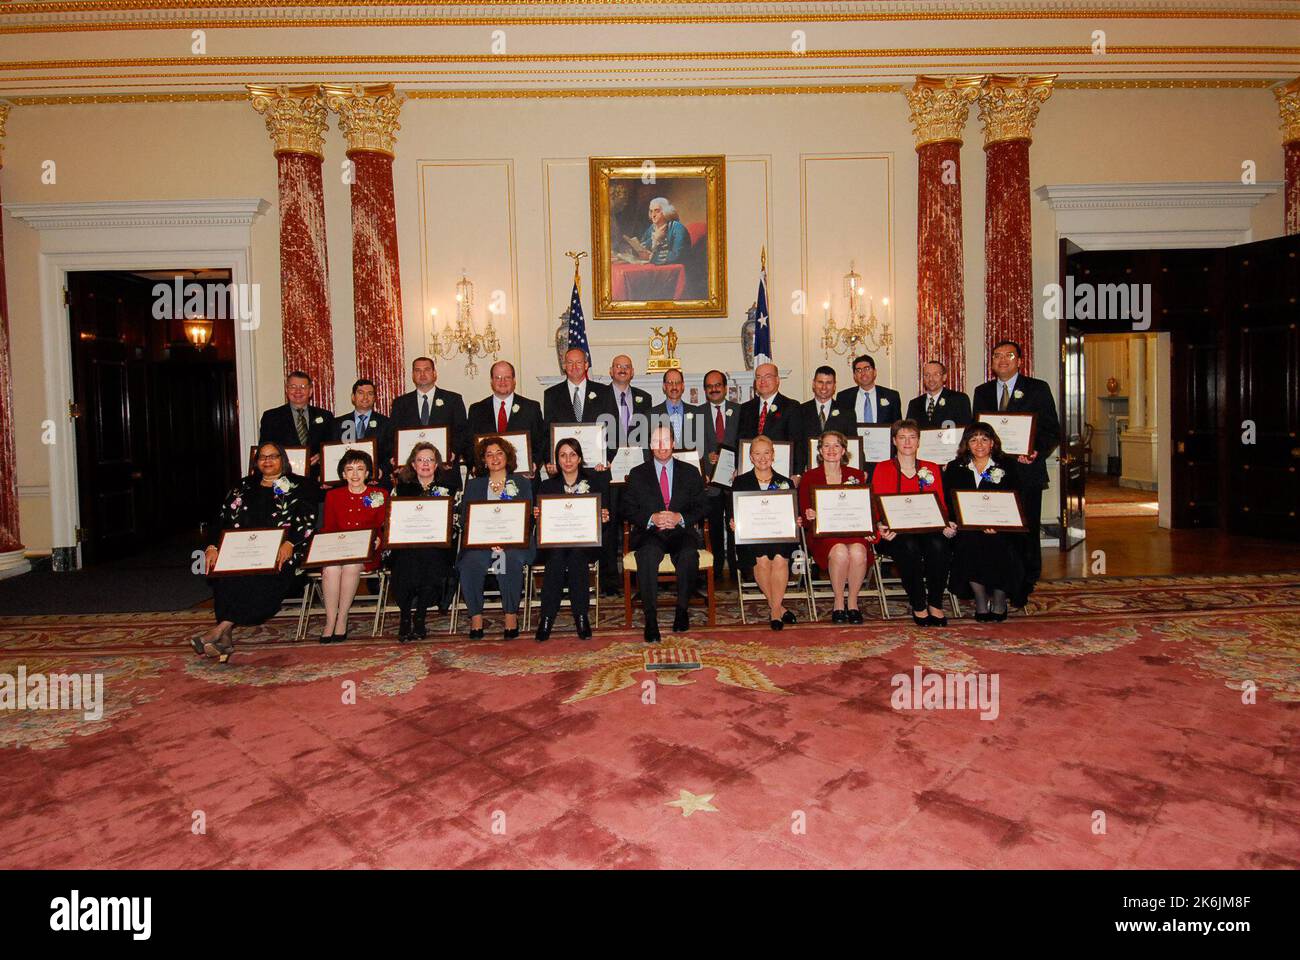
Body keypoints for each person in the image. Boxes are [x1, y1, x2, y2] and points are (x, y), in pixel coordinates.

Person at [194, 441, 316, 663]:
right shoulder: (243, 486)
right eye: (262, 457)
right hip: (241, 553)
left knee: (261, 577)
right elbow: (221, 520)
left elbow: (307, 520)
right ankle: (224, 639)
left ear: (283, 460)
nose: (267, 461)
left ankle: (220, 629)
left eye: (273, 456)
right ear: (256, 462)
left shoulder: (300, 485)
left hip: (281, 554)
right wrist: (212, 547)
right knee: (225, 575)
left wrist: (291, 544)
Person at [971, 339, 1060, 591]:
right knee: (994, 526)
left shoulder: (1037, 389)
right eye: (997, 355)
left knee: (1026, 527)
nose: (1002, 360)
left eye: (1008, 356)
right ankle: (996, 578)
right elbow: (977, 431)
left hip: (1026, 470)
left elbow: (1052, 430)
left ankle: (1026, 580)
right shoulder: (983, 391)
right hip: (991, 472)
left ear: (1019, 361)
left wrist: (1036, 451)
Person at [621, 425, 706, 643]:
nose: (662, 446)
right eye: (657, 442)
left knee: (688, 555)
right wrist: (651, 518)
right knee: (647, 556)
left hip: (681, 531)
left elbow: (702, 506)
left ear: (674, 443)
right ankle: (651, 619)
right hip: (651, 533)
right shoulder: (638, 474)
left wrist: (680, 517)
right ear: (650, 445)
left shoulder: (690, 472)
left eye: (666, 441)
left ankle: (682, 611)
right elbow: (628, 509)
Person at [871, 419, 958, 626]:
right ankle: (918, 604)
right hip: (895, 533)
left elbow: (941, 505)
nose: (907, 442)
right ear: (894, 441)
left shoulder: (931, 468)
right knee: (908, 546)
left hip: (928, 529)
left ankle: (935, 602)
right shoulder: (882, 468)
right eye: (902, 437)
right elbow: (875, 505)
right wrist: (880, 526)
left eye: (912, 437)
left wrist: (947, 524)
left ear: (918, 441)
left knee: (939, 545)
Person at [943, 422, 1026, 621]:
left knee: (1000, 543)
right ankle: (980, 600)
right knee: (969, 542)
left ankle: (999, 598)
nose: (979, 444)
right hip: (968, 527)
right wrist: (953, 522)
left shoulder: (1008, 466)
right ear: (966, 444)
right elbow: (949, 501)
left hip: (1002, 527)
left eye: (984, 439)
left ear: (992, 443)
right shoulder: (956, 467)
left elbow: (1017, 500)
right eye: (973, 440)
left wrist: (999, 524)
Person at [533, 438, 610, 642]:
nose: (568, 460)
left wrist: (603, 517)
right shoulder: (547, 486)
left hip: (583, 543)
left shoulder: (593, 483)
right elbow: (542, 523)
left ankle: (581, 616)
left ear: (580, 458)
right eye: (563, 455)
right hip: (555, 544)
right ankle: (547, 618)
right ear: (557, 460)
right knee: (556, 558)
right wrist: (538, 515)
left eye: (573, 455)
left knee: (577, 557)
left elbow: (603, 520)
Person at [458, 435, 535, 640]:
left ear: (507, 456)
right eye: (489, 454)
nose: (494, 458)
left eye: (499, 453)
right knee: (470, 564)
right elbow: (467, 518)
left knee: (506, 561)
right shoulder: (474, 485)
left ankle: (510, 615)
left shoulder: (521, 483)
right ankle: (476, 616)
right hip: (481, 545)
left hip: (511, 544)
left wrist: (504, 540)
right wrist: (488, 539)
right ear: (483, 460)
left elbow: (526, 517)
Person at [798, 429, 874, 623]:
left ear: (843, 451)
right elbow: (804, 514)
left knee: (858, 551)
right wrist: (809, 514)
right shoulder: (809, 477)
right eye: (826, 446)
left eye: (836, 445)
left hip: (853, 530)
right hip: (824, 534)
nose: (831, 450)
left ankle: (853, 602)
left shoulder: (857, 475)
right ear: (820, 451)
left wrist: (870, 527)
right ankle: (839, 601)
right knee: (839, 552)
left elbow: (869, 507)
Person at [389, 441, 461, 643]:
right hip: (406, 545)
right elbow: (392, 520)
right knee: (406, 559)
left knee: (430, 556)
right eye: (420, 460)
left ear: (437, 464)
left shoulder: (450, 490)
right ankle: (405, 616)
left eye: (430, 459)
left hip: (437, 545)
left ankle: (420, 615)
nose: (425, 464)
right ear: (413, 465)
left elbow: (456, 522)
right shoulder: (400, 490)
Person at [729, 435, 802, 630]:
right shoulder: (740, 482)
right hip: (751, 539)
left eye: (767, 453)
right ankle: (778, 609)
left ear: (773, 455)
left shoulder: (786, 483)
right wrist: (734, 523)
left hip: (780, 535)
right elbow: (733, 512)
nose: (762, 458)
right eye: (757, 454)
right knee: (761, 558)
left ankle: (775, 609)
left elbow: (795, 512)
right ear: (750, 457)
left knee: (780, 558)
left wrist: (797, 519)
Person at [318, 449, 388, 644]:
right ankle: (330, 620)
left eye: (360, 469)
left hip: (367, 552)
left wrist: (379, 540)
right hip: (337, 550)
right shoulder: (333, 496)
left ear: (367, 473)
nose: (355, 474)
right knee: (330, 569)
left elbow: (385, 526)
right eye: (350, 469)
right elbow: (328, 527)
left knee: (350, 567)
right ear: (343, 474)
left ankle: (343, 618)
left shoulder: (379, 494)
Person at [604, 354, 652, 595]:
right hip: (609, 471)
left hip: (637, 473)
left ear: (633, 372)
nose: (622, 370)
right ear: (611, 371)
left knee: (639, 522)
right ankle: (611, 579)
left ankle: (638, 576)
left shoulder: (645, 398)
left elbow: (649, 435)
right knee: (610, 525)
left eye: (626, 367)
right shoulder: (599, 396)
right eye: (618, 367)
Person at [466, 360, 546, 476]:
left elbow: (540, 441)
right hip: (487, 478)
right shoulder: (476, 410)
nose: (502, 381)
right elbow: (469, 444)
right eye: (497, 377)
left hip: (523, 478)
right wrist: (474, 465)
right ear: (491, 381)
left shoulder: (531, 408)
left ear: (514, 380)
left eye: (507, 377)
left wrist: (533, 463)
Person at [389, 356, 470, 465]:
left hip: (446, 468)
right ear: (413, 375)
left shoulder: (453, 400)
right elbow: (393, 434)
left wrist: (453, 453)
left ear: (434, 373)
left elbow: (462, 432)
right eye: (418, 370)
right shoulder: (400, 403)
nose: (422, 374)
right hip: (412, 470)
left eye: (427, 370)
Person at [699, 370, 740, 582]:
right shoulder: (697, 414)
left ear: (725, 388)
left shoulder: (739, 411)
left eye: (717, 385)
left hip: (734, 479)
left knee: (735, 525)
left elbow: (745, 442)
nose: (714, 389)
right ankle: (714, 571)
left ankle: (736, 569)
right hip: (710, 482)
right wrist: (706, 459)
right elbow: (694, 447)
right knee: (714, 527)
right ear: (705, 390)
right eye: (709, 386)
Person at [836, 354, 902, 479]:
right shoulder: (844, 397)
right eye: (858, 370)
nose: (863, 373)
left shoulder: (891, 396)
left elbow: (897, 428)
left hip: (883, 456)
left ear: (875, 372)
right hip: (855, 456)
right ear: (854, 376)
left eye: (867, 368)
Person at [258, 370, 333, 468]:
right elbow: (264, 450)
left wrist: (321, 456)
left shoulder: (326, 416)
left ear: (310, 391)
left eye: (303, 387)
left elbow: (331, 447)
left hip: (316, 477)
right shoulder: (271, 417)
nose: (298, 391)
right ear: (287, 390)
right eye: (293, 387)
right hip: (284, 476)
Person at [793, 365, 857, 476]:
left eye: (828, 383)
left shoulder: (847, 412)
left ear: (834, 386)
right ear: (813, 384)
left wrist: (860, 468)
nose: (824, 387)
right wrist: (797, 473)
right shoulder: (800, 410)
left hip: (838, 471)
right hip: (808, 472)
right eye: (820, 382)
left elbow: (853, 443)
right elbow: (797, 445)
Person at [328, 378, 392, 479]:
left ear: (375, 398)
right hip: (346, 480)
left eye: (370, 393)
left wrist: (381, 470)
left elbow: (391, 455)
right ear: (353, 397)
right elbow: (331, 454)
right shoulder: (338, 423)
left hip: (376, 480)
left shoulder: (386, 423)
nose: (365, 397)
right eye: (361, 393)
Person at [737, 362, 797, 444]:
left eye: (768, 377)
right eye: (758, 377)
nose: (762, 381)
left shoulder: (791, 407)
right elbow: (740, 441)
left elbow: (796, 443)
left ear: (777, 380)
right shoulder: (746, 408)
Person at [650, 368, 706, 452]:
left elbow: (703, 445)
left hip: (690, 464)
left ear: (683, 386)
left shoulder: (697, 413)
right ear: (664, 386)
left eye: (678, 383)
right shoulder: (651, 414)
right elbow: (648, 449)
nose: (674, 386)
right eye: (670, 383)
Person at [906, 360, 972, 429]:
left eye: (936, 374)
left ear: (944, 377)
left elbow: (966, 431)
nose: (931, 379)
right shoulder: (914, 404)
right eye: (927, 375)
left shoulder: (959, 400)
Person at [625, 197, 689, 266]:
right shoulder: (652, 228)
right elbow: (644, 244)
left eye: (657, 211)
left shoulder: (677, 228)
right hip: (654, 266)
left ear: (666, 211)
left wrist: (651, 257)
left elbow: (678, 255)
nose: (653, 215)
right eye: (651, 211)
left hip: (674, 269)